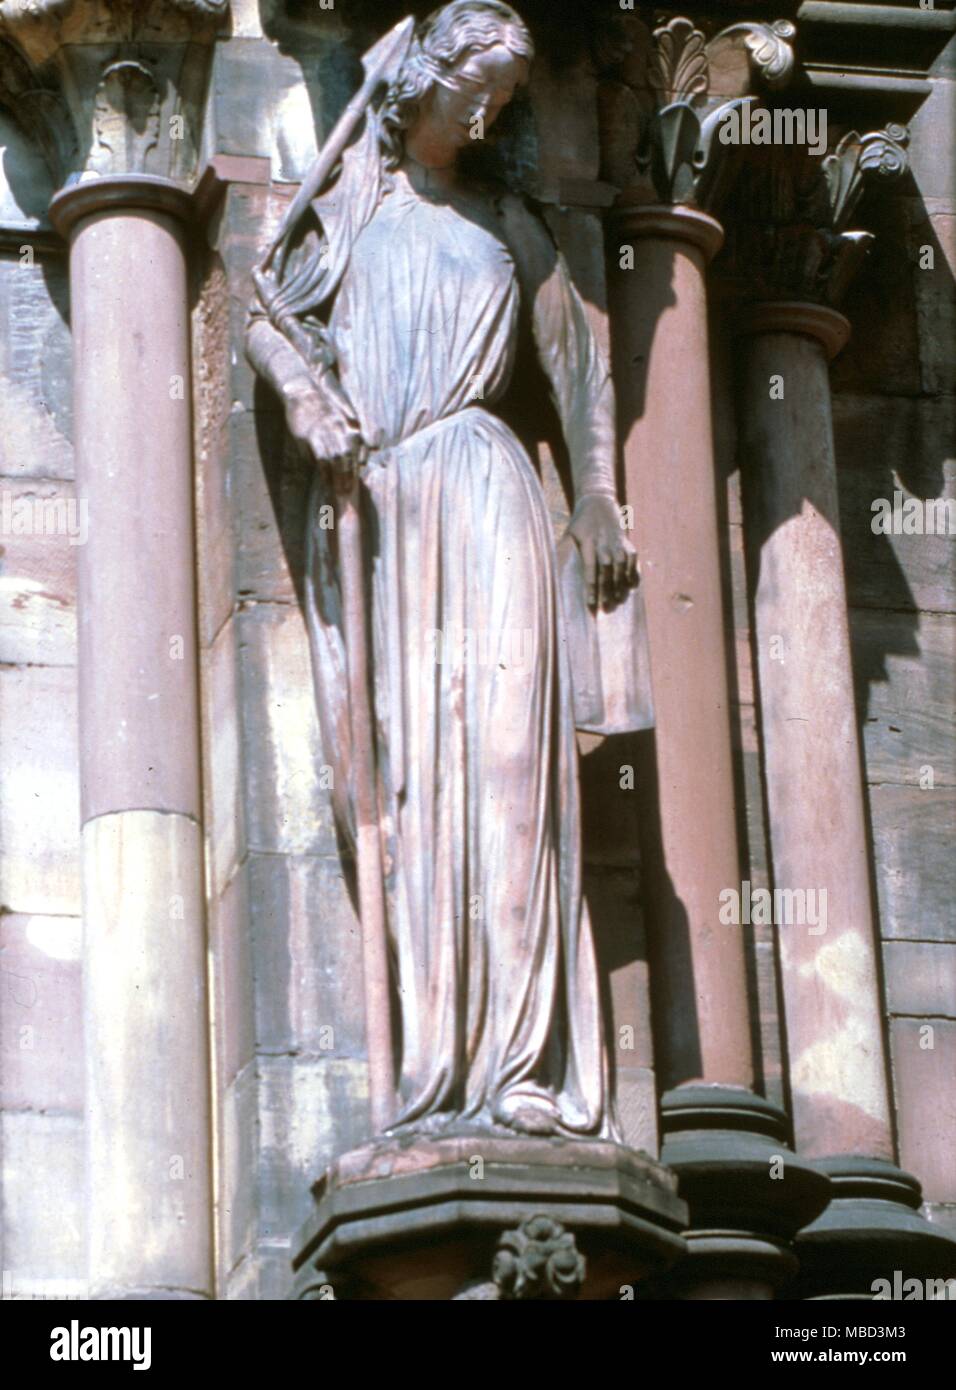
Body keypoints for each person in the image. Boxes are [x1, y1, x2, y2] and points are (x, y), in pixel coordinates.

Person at [246, 1, 635, 1139]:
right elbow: (268, 313)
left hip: (486, 487)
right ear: (424, 72)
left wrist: (601, 493)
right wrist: (309, 398)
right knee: (408, 783)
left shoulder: (507, 221)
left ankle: (521, 1061)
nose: (489, 107)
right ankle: (438, 1061)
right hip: (384, 503)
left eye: (508, 95)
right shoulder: (350, 200)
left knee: (509, 767)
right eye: (479, 82)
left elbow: (580, 374)